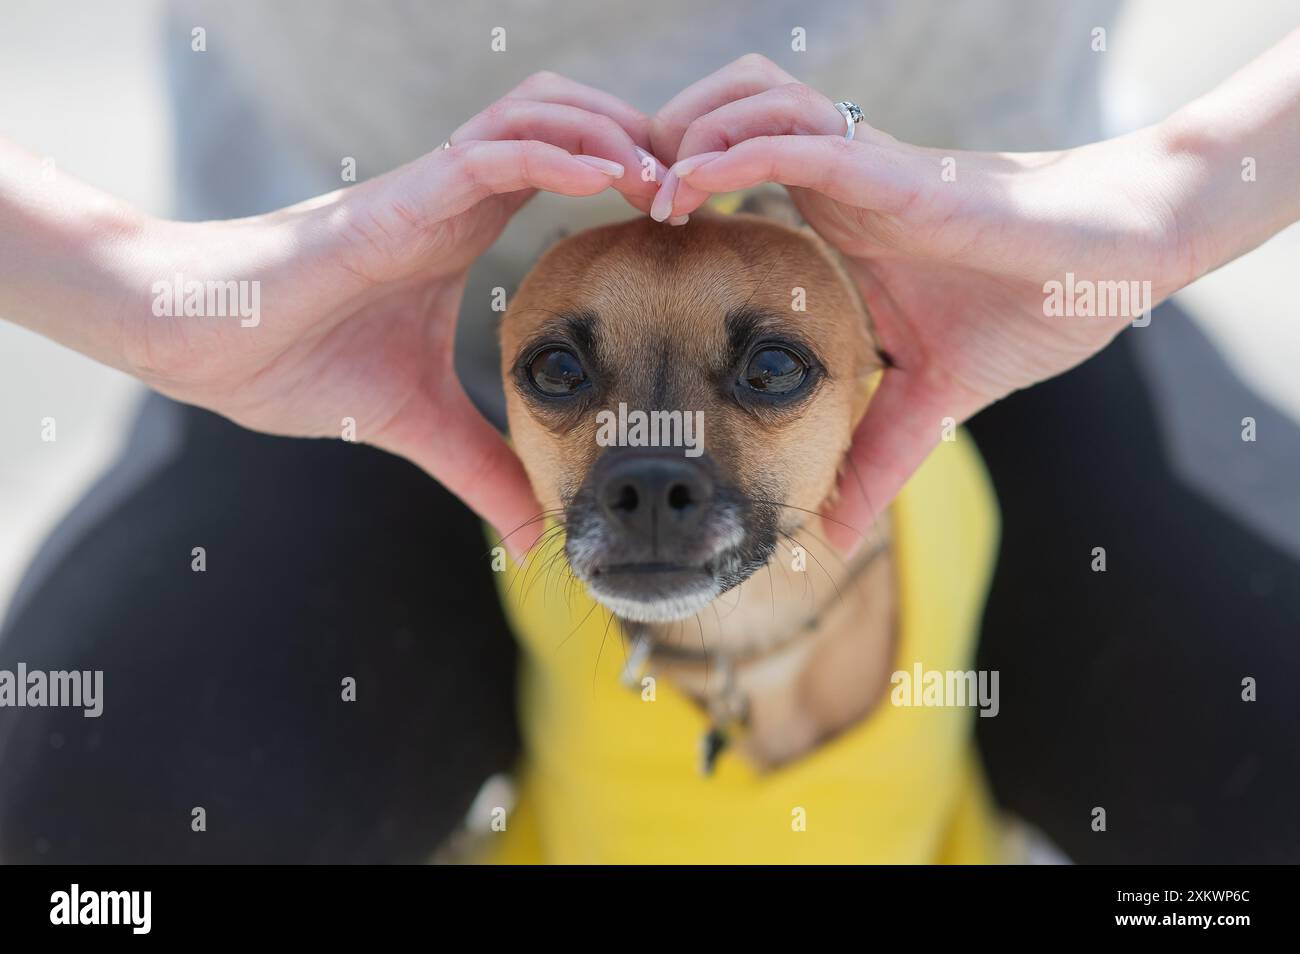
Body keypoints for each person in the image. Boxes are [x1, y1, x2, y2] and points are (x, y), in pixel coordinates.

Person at [1, 1, 1297, 862]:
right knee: (89, 827)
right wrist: (135, 285)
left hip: (1003, 276)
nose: (659, 475)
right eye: (565, 374)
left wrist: (1177, 198)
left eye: (770, 373)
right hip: (332, 328)